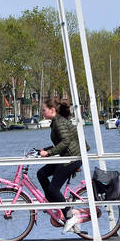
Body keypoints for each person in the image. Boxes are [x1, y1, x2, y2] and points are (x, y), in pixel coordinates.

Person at [37, 97, 83, 233]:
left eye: (44, 110)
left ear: (52, 110)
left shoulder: (58, 122)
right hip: (67, 156)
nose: (42, 113)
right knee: (41, 173)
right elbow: (61, 143)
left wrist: (49, 153)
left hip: (72, 159)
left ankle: (69, 216)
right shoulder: (56, 121)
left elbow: (66, 141)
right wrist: (44, 150)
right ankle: (54, 202)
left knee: (53, 189)